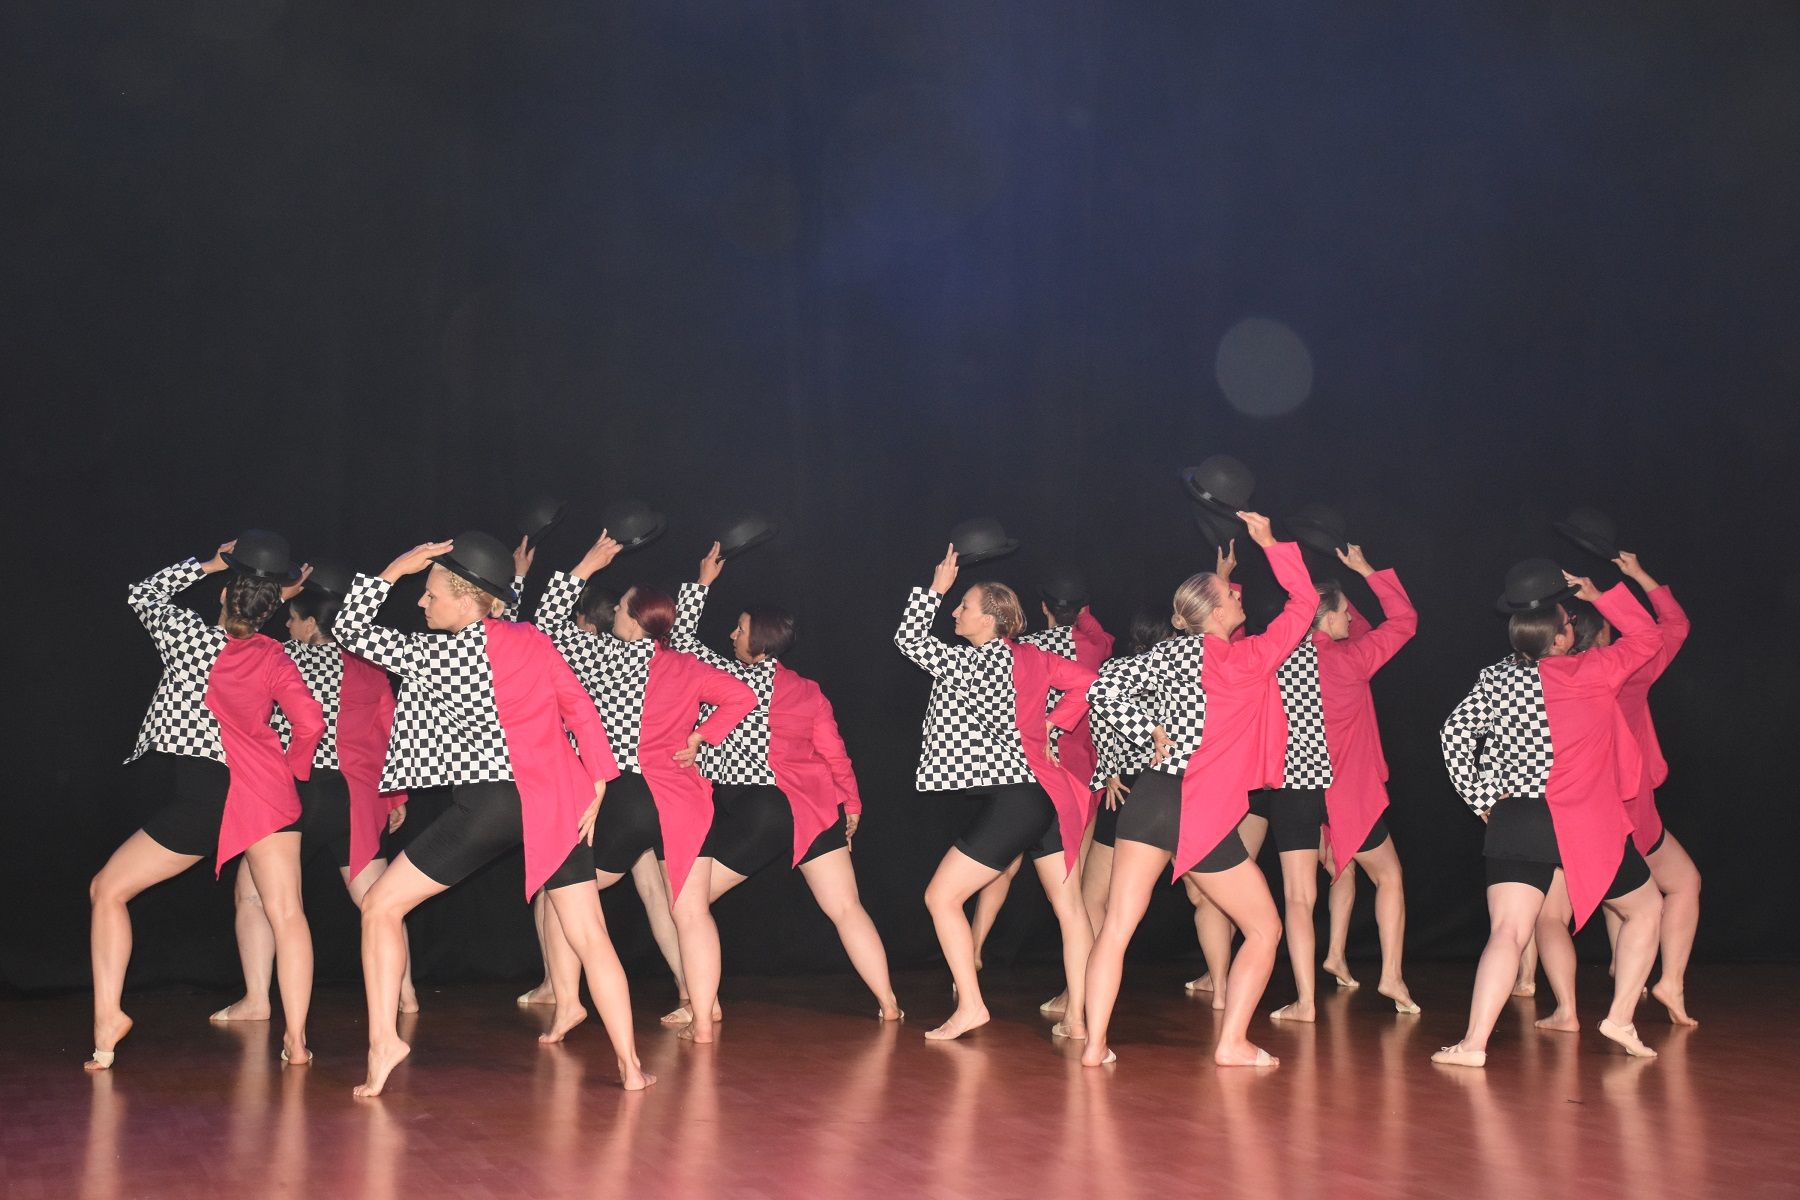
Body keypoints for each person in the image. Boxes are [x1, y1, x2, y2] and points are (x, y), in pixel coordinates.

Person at [336, 533, 651, 1095]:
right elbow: (577, 706)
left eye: (430, 595)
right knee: (591, 935)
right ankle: (629, 1065)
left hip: (493, 804)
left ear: (465, 601)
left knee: (380, 907)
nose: (420, 602)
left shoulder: (437, 652)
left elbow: (350, 630)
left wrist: (395, 567)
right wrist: (600, 779)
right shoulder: (534, 640)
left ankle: (384, 1040)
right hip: (557, 803)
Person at [92, 534, 325, 1071]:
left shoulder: (188, 638)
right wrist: (293, 768)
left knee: (108, 891)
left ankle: (108, 1020)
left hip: (208, 794)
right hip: (266, 792)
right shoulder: (275, 655)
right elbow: (309, 722)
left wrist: (211, 562)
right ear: (270, 611)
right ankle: (296, 1039)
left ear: (224, 596)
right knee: (287, 914)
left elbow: (144, 596)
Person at [1083, 513, 1308, 1068]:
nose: (1238, 595)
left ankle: (1093, 1046)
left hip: (1150, 798)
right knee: (1264, 928)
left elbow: (1101, 691)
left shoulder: (1162, 654)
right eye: (1230, 594)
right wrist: (1272, 544)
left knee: (1115, 927)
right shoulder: (1251, 659)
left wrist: (1144, 730)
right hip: (1197, 810)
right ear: (1216, 613)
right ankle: (1231, 1043)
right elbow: (1303, 605)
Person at [1434, 564, 1665, 1067]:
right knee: (1646, 910)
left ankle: (1473, 1045)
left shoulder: (1496, 677)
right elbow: (1650, 635)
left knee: (1508, 933)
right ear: (1561, 637)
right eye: (1567, 622)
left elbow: (1453, 735)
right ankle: (1619, 1016)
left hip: (1518, 818)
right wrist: (1599, 593)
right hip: (1584, 823)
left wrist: (1481, 799)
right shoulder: (1595, 668)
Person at [532, 531, 757, 1045]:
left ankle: (567, 1003)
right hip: (684, 798)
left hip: (630, 796)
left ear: (632, 619)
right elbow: (741, 695)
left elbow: (544, 625)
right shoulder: (687, 665)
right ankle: (703, 1023)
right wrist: (704, 736)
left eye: (621, 610)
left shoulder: (602, 655)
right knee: (691, 912)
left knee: (567, 890)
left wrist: (584, 565)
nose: (613, 615)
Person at [668, 542, 901, 1019]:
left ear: (759, 640)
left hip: (761, 809)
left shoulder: (726, 676)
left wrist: (702, 584)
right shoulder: (807, 689)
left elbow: (678, 641)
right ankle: (890, 1003)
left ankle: (699, 1006)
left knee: (686, 907)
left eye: (740, 627)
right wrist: (851, 805)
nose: (732, 633)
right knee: (847, 909)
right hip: (813, 809)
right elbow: (835, 753)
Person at [896, 546, 1100, 1041]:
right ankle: (1077, 1017)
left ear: (988, 620)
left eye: (963, 606)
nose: (954, 612)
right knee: (1071, 910)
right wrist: (1057, 723)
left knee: (941, 898)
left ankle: (971, 1005)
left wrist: (935, 587)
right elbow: (1091, 682)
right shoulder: (1032, 658)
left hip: (1016, 800)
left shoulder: (972, 663)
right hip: (1046, 796)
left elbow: (907, 639)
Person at [212, 563, 419, 1023]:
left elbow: (229, 656)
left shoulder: (278, 656)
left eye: (292, 618)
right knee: (381, 901)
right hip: (354, 798)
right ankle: (405, 993)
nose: (287, 625)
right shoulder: (369, 667)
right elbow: (390, 733)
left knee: (254, 897)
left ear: (309, 622)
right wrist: (396, 798)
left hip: (293, 790)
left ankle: (258, 1001)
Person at [1529, 551, 1701, 1029]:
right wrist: (1634, 578)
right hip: (1627, 803)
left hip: (1571, 807)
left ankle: (1568, 1006)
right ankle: (1668, 981)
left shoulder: (1547, 678)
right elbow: (1671, 628)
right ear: (1599, 635)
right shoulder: (1623, 673)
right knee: (1678, 885)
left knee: (1561, 911)